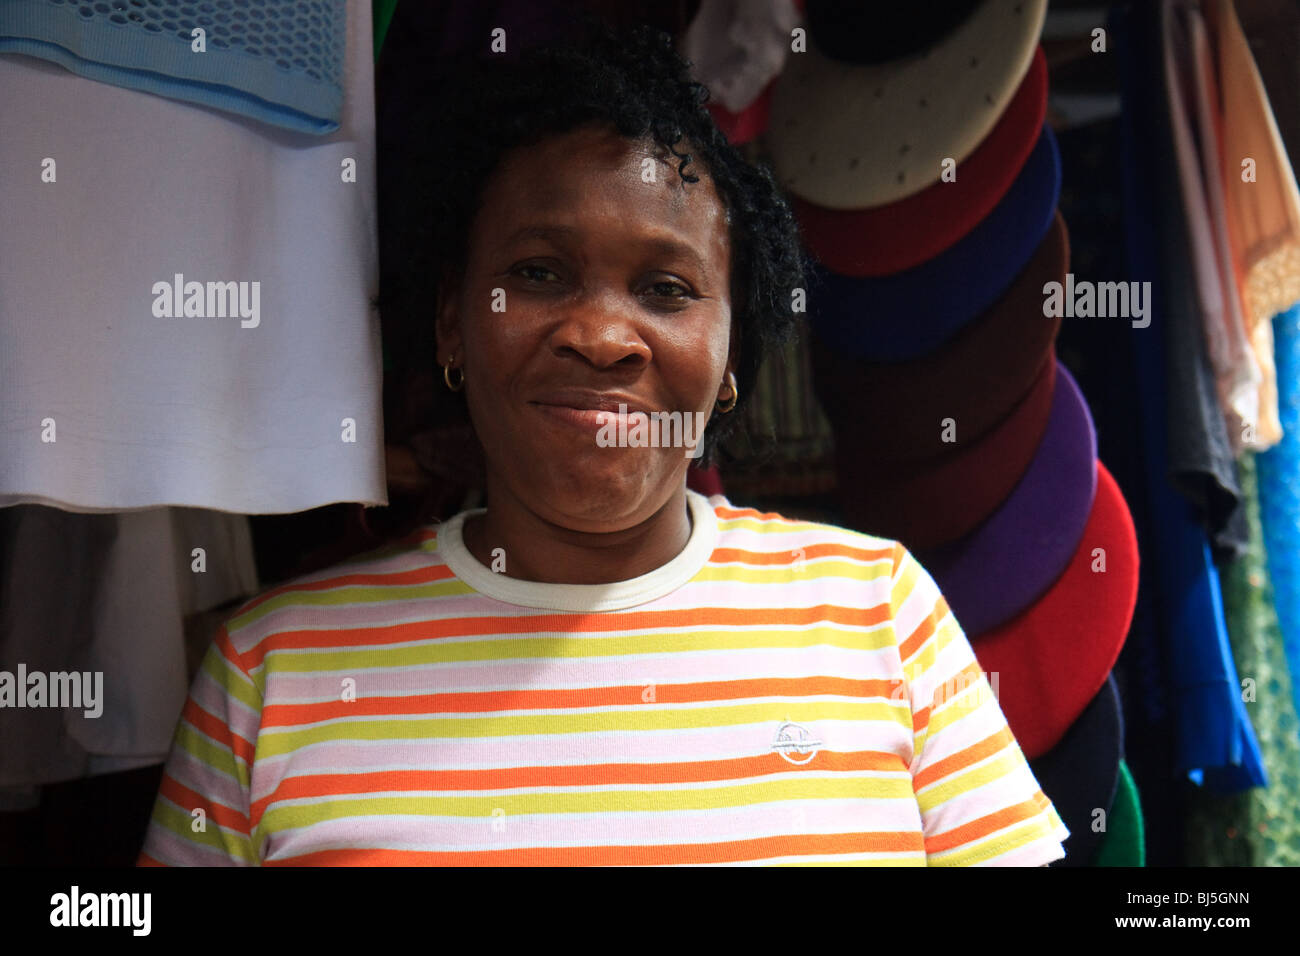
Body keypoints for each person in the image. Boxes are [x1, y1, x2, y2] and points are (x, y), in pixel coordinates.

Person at [139, 15, 1069, 866]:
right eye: (538, 273)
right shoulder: (271, 674)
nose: (601, 333)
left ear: (732, 350)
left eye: (666, 289)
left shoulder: (881, 617)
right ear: (452, 324)